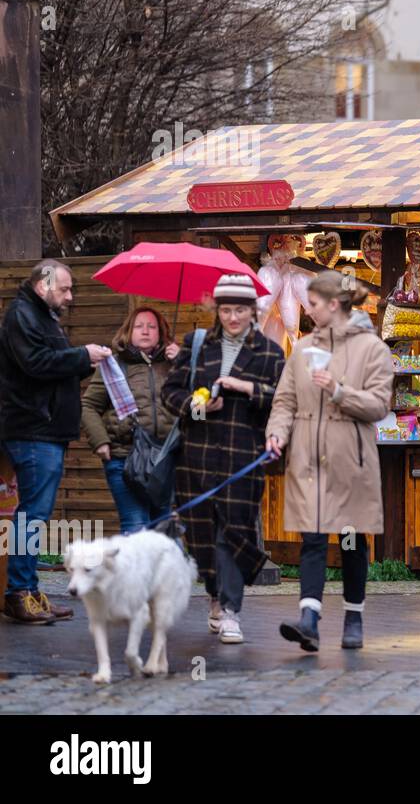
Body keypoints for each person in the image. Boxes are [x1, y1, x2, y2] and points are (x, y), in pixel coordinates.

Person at [267, 271, 393, 651]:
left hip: (350, 460)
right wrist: (277, 433)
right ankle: (310, 620)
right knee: (313, 538)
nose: (310, 308)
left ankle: (353, 617)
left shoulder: (372, 349)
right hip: (308, 459)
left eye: (315, 303)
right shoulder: (303, 349)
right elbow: (285, 400)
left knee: (352, 541)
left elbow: (378, 405)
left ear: (334, 305)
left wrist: (339, 391)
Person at [163, 273, 285, 645]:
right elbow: (171, 393)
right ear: (217, 310)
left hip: (243, 455)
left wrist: (247, 388)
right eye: (227, 309)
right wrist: (198, 406)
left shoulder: (270, 352)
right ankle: (214, 596)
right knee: (201, 536)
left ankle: (231, 610)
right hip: (196, 458)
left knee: (234, 531)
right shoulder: (196, 344)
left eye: (241, 310)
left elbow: (284, 399)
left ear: (253, 311)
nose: (233, 317)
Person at [0, 261, 112, 624]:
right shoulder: (22, 314)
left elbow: (47, 364)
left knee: (34, 514)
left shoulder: (39, 316)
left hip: (44, 430)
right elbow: (34, 363)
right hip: (34, 430)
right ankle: (19, 593)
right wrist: (82, 355)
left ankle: (29, 590)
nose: (70, 296)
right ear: (42, 285)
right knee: (30, 516)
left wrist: (82, 362)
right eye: (64, 289)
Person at [81, 306, 181, 534]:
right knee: (136, 528)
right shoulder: (113, 365)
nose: (145, 331)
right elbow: (88, 405)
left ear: (161, 332)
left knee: (163, 531)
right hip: (123, 459)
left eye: (151, 326)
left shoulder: (174, 366)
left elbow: (196, 406)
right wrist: (101, 442)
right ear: (128, 331)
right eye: (139, 326)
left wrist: (183, 362)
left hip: (164, 462)